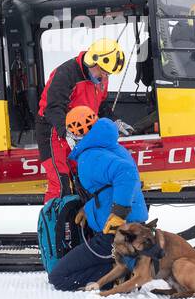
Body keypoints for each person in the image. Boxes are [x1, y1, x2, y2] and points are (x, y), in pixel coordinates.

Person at [47, 111, 149, 292]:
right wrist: (89, 209)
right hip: (134, 229)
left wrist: (118, 215)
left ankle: (122, 272)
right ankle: (128, 264)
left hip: (117, 235)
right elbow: (106, 187)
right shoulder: (108, 145)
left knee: (59, 277)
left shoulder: (90, 156)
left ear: (74, 135)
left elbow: (126, 174)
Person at [34, 39, 132, 201]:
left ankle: (82, 223)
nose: (104, 77)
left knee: (84, 180)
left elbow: (100, 106)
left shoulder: (101, 79)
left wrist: (114, 120)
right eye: (103, 72)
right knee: (61, 184)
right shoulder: (66, 74)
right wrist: (66, 132)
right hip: (52, 131)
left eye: (108, 74)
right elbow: (52, 107)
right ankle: (56, 223)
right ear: (92, 60)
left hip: (81, 133)